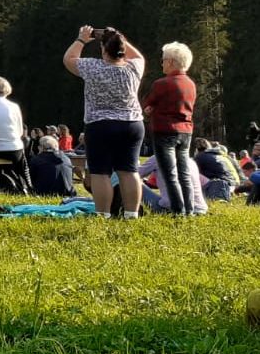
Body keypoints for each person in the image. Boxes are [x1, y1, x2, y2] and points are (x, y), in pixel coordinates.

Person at [64, 25, 145, 218]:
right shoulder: (134, 67)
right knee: (129, 170)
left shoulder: (92, 66)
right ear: (123, 49)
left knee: (101, 173)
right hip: (131, 123)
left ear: (103, 50)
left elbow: (69, 59)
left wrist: (81, 39)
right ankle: (131, 214)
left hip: (100, 124)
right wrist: (120, 37)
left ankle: (103, 214)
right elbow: (138, 56)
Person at [142, 42, 197, 215]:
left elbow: (149, 104)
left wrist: (149, 110)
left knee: (169, 174)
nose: (162, 63)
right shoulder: (190, 83)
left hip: (165, 131)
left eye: (164, 60)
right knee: (183, 173)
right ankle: (189, 209)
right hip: (186, 131)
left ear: (172, 62)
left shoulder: (162, 83)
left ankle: (177, 211)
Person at [0, 76, 28, 193]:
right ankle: (25, 185)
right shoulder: (14, 106)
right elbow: (20, 132)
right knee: (21, 164)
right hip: (15, 149)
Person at [137, 152, 207, 214]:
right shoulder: (191, 161)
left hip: (173, 209)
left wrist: (136, 164)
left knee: (134, 182)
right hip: (200, 208)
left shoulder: (158, 157)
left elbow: (135, 175)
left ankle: (130, 210)